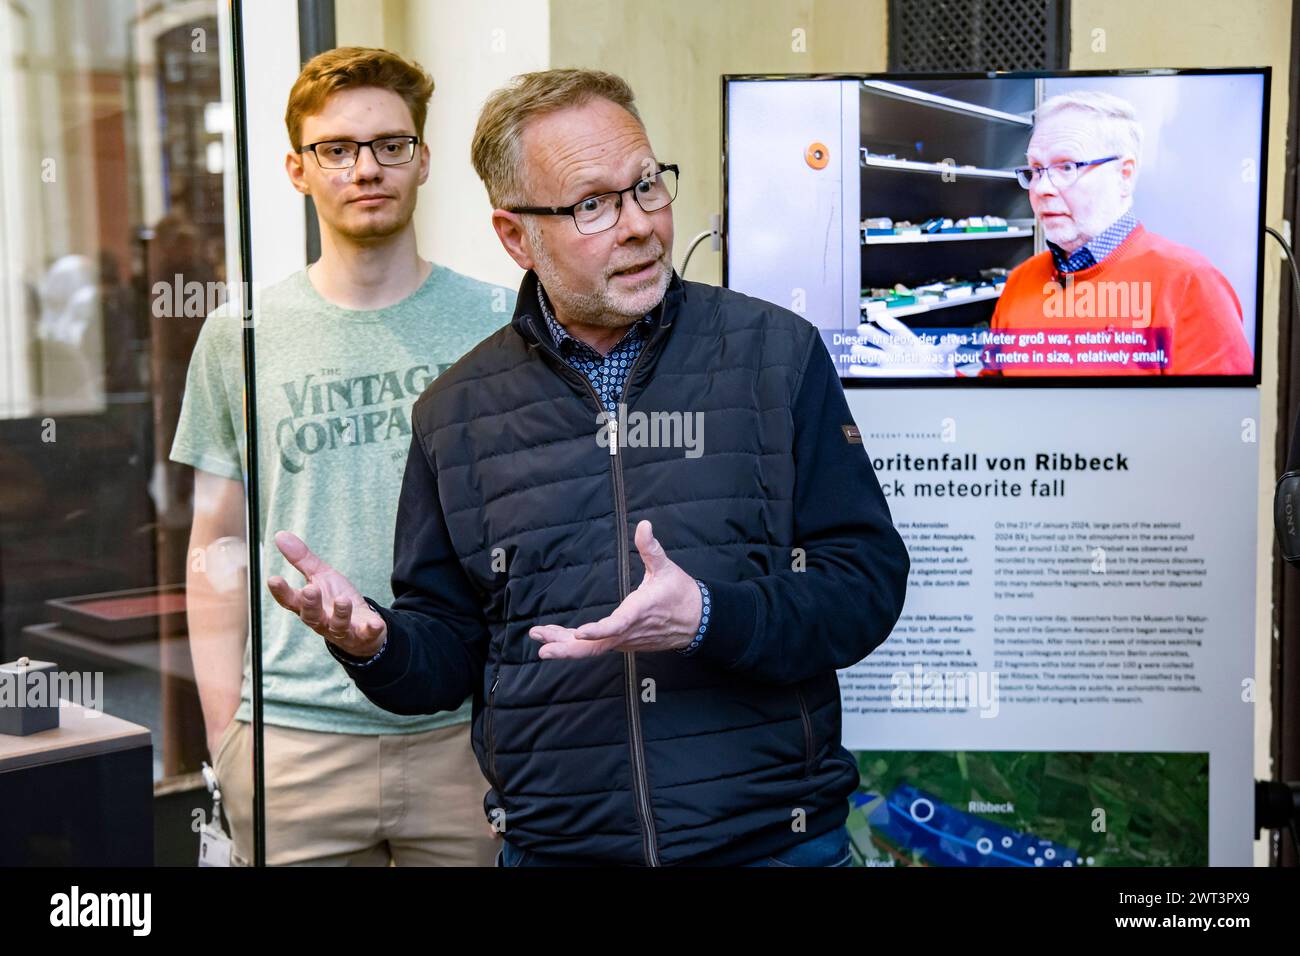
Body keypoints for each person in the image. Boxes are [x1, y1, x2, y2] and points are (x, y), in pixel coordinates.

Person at [267, 68, 909, 866]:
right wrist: (373, 643)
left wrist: (709, 616)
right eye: (592, 206)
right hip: (556, 852)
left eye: (646, 186)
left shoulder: (775, 356)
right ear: (515, 236)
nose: (639, 226)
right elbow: (449, 654)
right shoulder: (454, 412)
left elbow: (866, 585)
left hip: (774, 846)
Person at [171, 47, 512, 866]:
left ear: (424, 161)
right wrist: (229, 737)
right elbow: (213, 544)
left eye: (391, 144)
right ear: (297, 168)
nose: (367, 168)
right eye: (337, 149)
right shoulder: (239, 335)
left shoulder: (501, 322)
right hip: (293, 745)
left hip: (462, 737)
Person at [986, 90, 1252, 376]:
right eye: (1036, 169)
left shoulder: (1191, 285)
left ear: (1124, 175)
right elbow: (992, 397)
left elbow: (1217, 417)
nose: (1041, 188)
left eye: (1066, 166)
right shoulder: (1018, 282)